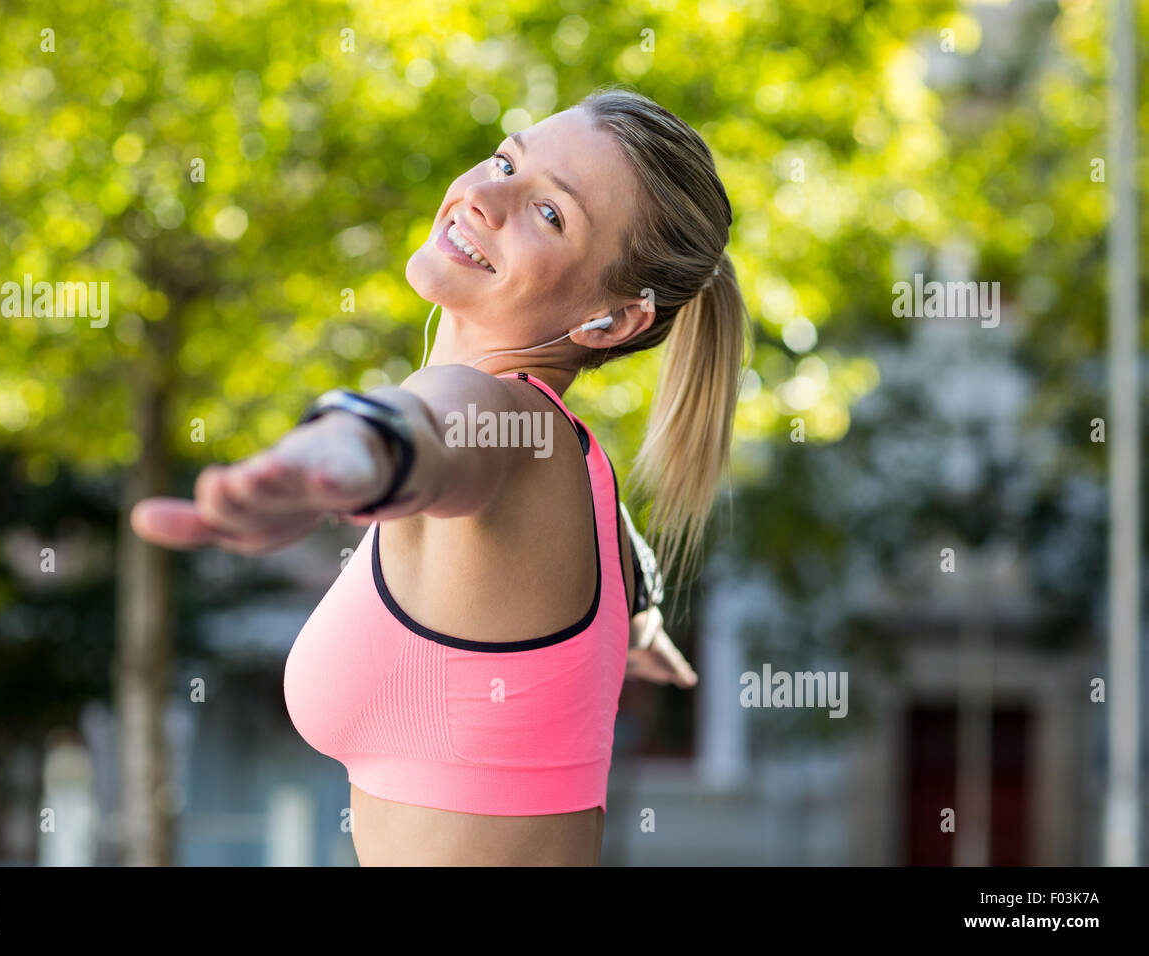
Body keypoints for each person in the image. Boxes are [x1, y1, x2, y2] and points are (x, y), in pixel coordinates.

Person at [131, 85, 750, 866]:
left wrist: (336, 459)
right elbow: (626, 572)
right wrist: (642, 625)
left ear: (611, 320)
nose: (484, 198)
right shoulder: (573, 466)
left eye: (549, 213)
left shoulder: (507, 426)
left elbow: (427, 432)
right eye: (504, 161)